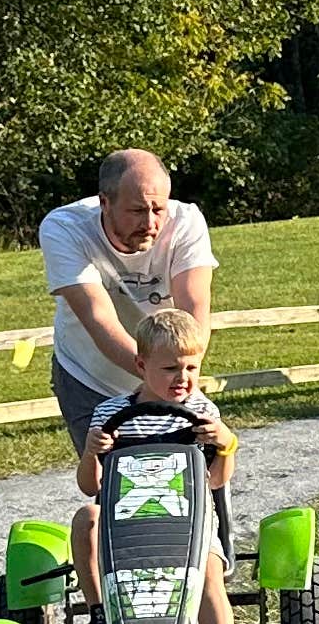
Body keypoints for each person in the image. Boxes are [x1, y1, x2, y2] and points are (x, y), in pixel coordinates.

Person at [72, 305, 237, 624]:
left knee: (208, 568)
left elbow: (216, 480)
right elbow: (89, 486)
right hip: (124, 522)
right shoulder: (109, 414)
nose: (183, 377)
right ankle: (100, 621)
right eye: (170, 368)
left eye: (192, 368)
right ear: (142, 366)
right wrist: (91, 453)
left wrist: (226, 444)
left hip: (187, 519)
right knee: (87, 516)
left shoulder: (204, 412)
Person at [40, 148, 218, 455]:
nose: (150, 222)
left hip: (166, 370)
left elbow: (193, 307)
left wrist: (184, 374)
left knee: (187, 475)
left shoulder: (186, 222)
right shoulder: (64, 228)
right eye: (136, 211)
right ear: (105, 203)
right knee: (111, 485)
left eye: (158, 209)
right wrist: (159, 376)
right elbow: (99, 318)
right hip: (89, 375)